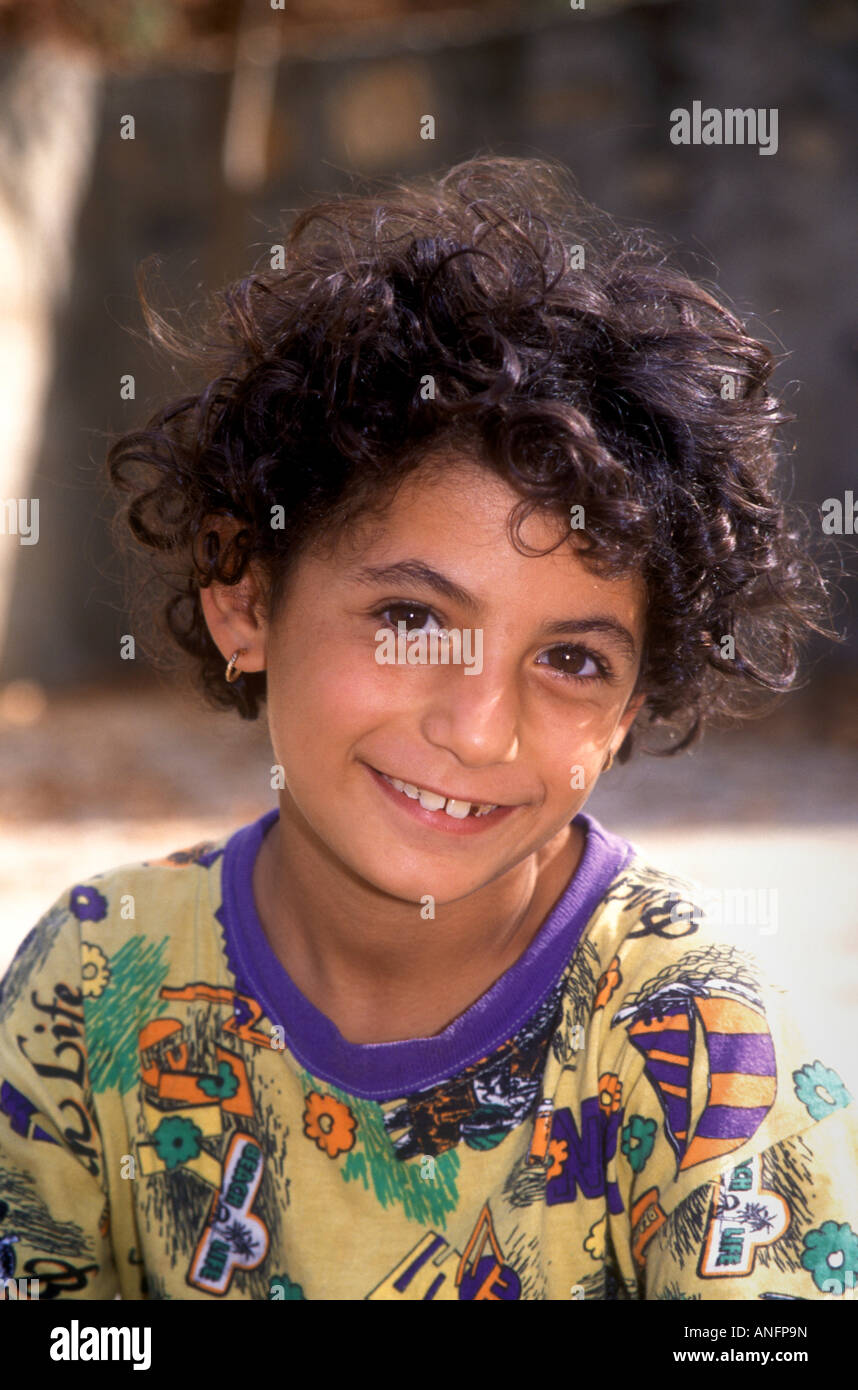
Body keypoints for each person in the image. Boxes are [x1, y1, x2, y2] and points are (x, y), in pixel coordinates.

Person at [1, 156, 855, 1302]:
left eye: (571, 660)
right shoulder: (94, 972)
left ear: (633, 705)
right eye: (410, 616)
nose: (479, 726)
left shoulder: (687, 1032)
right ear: (243, 590)